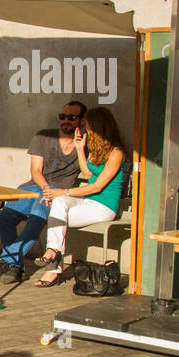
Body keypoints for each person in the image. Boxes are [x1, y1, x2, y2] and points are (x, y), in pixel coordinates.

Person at [0, 101, 87, 284]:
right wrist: (46, 189)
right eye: (63, 117)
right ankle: (15, 264)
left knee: (38, 214)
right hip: (36, 186)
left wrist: (80, 149)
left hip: (59, 192)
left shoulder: (84, 143)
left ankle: (8, 261)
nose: (66, 121)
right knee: (5, 217)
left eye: (72, 117)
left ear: (82, 121)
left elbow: (90, 172)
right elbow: (36, 171)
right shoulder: (43, 137)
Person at [35, 106, 127, 288]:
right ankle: (54, 252)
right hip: (89, 201)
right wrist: (80, 148)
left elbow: (98, 186)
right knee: (58, 205)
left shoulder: (117, 153)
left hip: (105, 207)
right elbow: (87, 174)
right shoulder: (96, 149)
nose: (86, 129)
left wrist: (63, 191)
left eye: (88, 125)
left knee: (56, 214)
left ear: (99, 127)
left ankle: (53, 265)